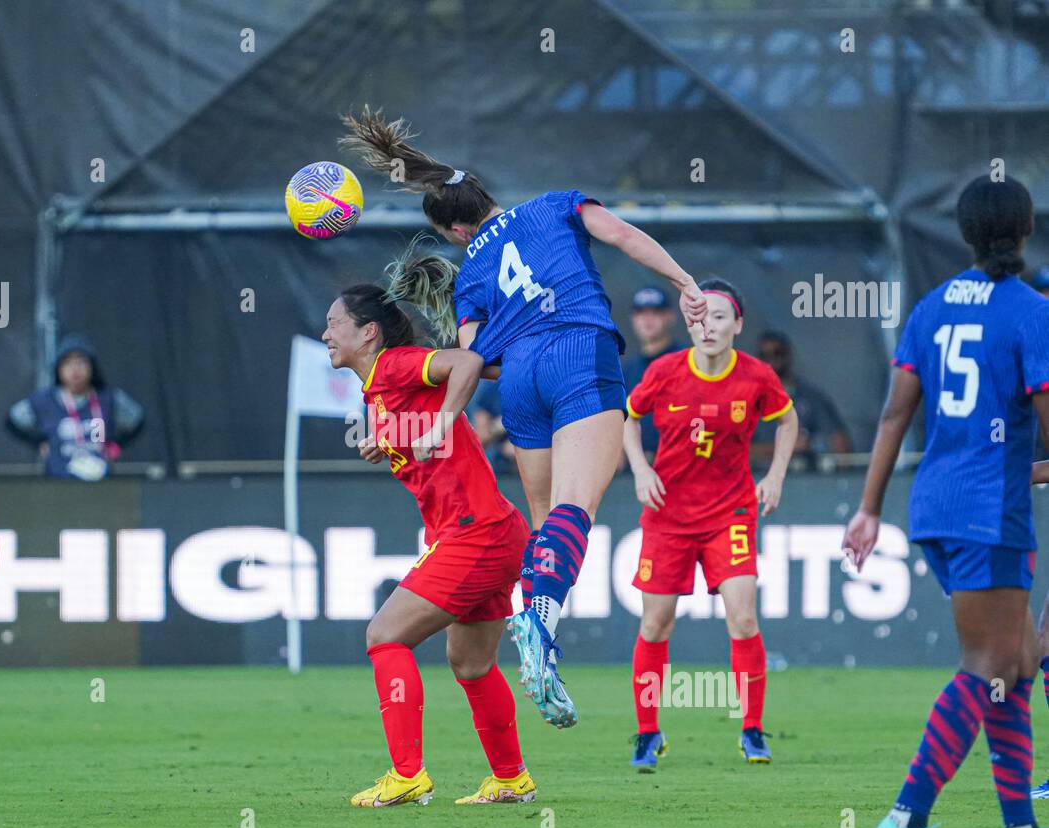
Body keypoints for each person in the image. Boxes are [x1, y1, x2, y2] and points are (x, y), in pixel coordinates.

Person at [340, 107, 707, 728]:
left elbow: (475, 359)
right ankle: (536, 621)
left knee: (545, 525)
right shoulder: (554, 205)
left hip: (521, 381)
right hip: (579, 350)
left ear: (454, 231)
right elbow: (620, 235)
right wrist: (684, 281)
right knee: (576, 509)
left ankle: (542, 635)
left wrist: (440, 419)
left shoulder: (471, 274)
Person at [844, 175, 1049, 828]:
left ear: (965, 233)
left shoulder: (931, 309)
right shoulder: (1030, 311)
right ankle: (907, 818)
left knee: (1016, 665)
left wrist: (869, 509)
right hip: (992, 512)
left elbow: (896, 414)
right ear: (1023, 231)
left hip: (933, 506)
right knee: (990, 665)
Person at [323, 251, 537, 807]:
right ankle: (511, 779)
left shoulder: (395, 365)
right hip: (494, 530)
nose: (325, 333)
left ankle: (408, 774)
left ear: (368, 333)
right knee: (471, 663)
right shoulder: (379, 388)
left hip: (475, 533)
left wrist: (443, 419)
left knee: (383, 635)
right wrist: (385, 441)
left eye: (333, 324)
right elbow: (424, 423)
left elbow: (465, 365)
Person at [623, 280, 797, 769]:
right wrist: (640, 469)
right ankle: (647, 733)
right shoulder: (664, 372)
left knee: (743, 617)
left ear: (738, 325)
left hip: (731, 512)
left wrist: (776, 475)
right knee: (656, 625)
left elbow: (787, 421)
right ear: (689, 323)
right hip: (668, 515)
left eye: (720, 317)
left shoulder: (757, 377)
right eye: (700, 317)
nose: (709, 326)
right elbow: (628, 418)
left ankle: (752, 730)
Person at [6, 334, 143, 480]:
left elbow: (137, 420)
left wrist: (116, 445)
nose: (75, 370)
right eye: (68, 364)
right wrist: (38, 441)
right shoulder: (45, 400)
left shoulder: (108, 398)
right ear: (59, 369)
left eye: (81, 363)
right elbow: (12, 420)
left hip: (102, 481)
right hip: (58, 480)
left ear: (92, 367)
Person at [751, 330, 852, 470]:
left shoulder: (811, 398)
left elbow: (842, 448)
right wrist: (785, 447)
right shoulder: (747, 400)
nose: (772, 360)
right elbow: (734, 451)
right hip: (760, 483)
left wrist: (815, 446)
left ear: (788, 355)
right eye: (765, 356)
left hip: (806, 482)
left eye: (777, 353)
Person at [620, 285, 689, 467]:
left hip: (681, 466)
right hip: (636, 471)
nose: (647, 319)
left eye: (656, 312)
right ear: (633, 319)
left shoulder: (688, 361)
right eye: (641, 312)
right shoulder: (628, 370)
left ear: (670, 316)